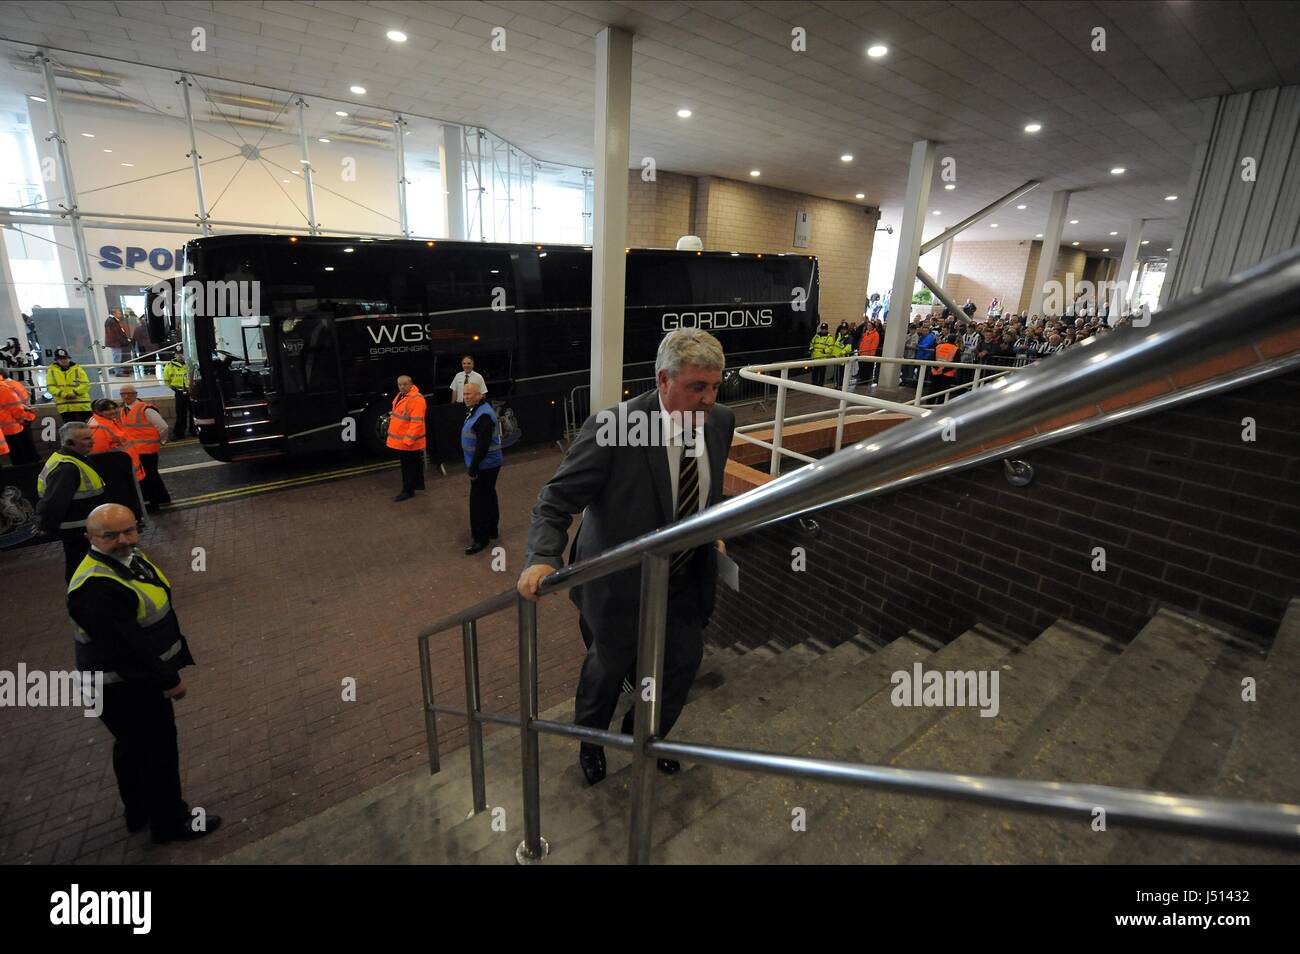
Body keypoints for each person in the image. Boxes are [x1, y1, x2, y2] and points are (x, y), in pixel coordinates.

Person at [517, 329, 736, 785]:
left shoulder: (721, 423)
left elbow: (706, 491)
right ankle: (591, 741)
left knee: (681, 665)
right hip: (618, 584)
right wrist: (542, 557)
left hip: (683, 580)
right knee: (607, 669)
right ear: (662, 381)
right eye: (697, 387)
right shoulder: (613, 428)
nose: (709, 399)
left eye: (716, 386)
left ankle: (645, 738)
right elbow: (555, 501)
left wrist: (711, 530)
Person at [67, 502, 220, 844]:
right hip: (126, 687)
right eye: (111, 535)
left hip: (124, 685)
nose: (123, 539)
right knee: (158, 753)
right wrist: (170, 680)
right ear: (89, 537)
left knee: (132, 748)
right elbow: (124, 649)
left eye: (129, 530)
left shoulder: (126, 560)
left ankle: (138, 810)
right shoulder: (95, 587)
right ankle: (171, 823)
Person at [36, 422, 108, 581]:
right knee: (80, 567)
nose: (92, 441)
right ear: (69, 443)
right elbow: (53, 501)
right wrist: (45, 525)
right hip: (78, 529)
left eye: (91, 437)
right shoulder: (67, 468)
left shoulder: (73, 459)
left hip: (84, 526)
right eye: (85, 439)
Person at [461, 382, 502, 555]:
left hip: (485, 465)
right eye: (464, 394)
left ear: (480, 395)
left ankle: (480, 538)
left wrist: (473, 469)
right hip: (488, 464)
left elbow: (482, 446)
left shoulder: (483, 415)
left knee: (478, 502)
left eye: (470, 394)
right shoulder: (478, 410)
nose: (466, 397)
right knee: (489, 495)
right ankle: (492, 529)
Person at [119, 385, 171, 511]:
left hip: (147, 449)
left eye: (129, 393)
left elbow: (163, 427)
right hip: (135, 450)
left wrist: (161, 441)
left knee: (148, 477)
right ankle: (162, 497)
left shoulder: (146, 409)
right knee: (152, 475)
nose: (126, 396)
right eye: (123, 394)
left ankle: (153, 503)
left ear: (136, 394)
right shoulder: (123, 410)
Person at [387, 374, 427, 501]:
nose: (402, 387)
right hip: (405, 441)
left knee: (408, 467)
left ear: (411, 384)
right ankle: (414, 486)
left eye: (405, 384)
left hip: (409, 442)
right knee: (412, 465)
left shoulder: (416, 399)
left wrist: (408, 440)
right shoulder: (402, 396)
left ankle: (408, 491)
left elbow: (417, 423)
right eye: (399, 384)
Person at [89, 398, 146, 484]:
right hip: (119, 472)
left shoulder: (110, 421)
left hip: (127, 469)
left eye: (113, 408)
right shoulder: (99, 427)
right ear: (98, 412)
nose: (112, 411)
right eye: (107, 409)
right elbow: (100, 455)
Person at [0, 367, 38, 465]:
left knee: (19, 453)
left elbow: (15, 407)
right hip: (22, 419)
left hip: (14, 423)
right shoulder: (15, 384)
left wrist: (22, 419)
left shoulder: (6, 387)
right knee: (27, 446)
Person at [48, 348, 92, 423]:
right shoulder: (51, 371)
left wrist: (74, 393)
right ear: (56, 360)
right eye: (60, 359)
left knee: (89, 428)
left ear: (68, 358)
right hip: (65, 407)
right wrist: (62, 394)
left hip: (82, 406)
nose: (63, 360)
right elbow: (50, 387)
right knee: (71, 431)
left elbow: (86, 384)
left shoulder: (78, 369)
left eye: (65, 358)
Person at [162, 349, 190, 438]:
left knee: (194, 412)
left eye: (182, 353)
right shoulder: (170, 366)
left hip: (191, 390)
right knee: (180, 413)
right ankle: (179, 433)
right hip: (179, 391)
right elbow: (167, 380)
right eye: (178, 354)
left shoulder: (190, 364)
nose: (180, 355)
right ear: (175, 355)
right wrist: (175, 388)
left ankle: (194, 430)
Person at [808, 322, 836, 388]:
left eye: (824, 329)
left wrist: (824, 351)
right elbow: (812, 343)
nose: (823, 330)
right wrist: (811, 348)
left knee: (822, 373)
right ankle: (814, 384)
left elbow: (831, 348)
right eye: (822, 329)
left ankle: (820, 385)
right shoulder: (816, 336)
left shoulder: (829, 338)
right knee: (815, 372)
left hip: (823, 359)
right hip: (815, 358)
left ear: (827, 329)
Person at [105, 309, 132, 376]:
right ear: (114, 313)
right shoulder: (111, 321)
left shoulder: (111, 320)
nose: (120, 314)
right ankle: (118, 372)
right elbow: (115, 333)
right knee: (117, 357)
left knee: (117, 357)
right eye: (119, 313)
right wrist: (123, 340)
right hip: (115, 343)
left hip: (115, 342)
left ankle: (118, 370)